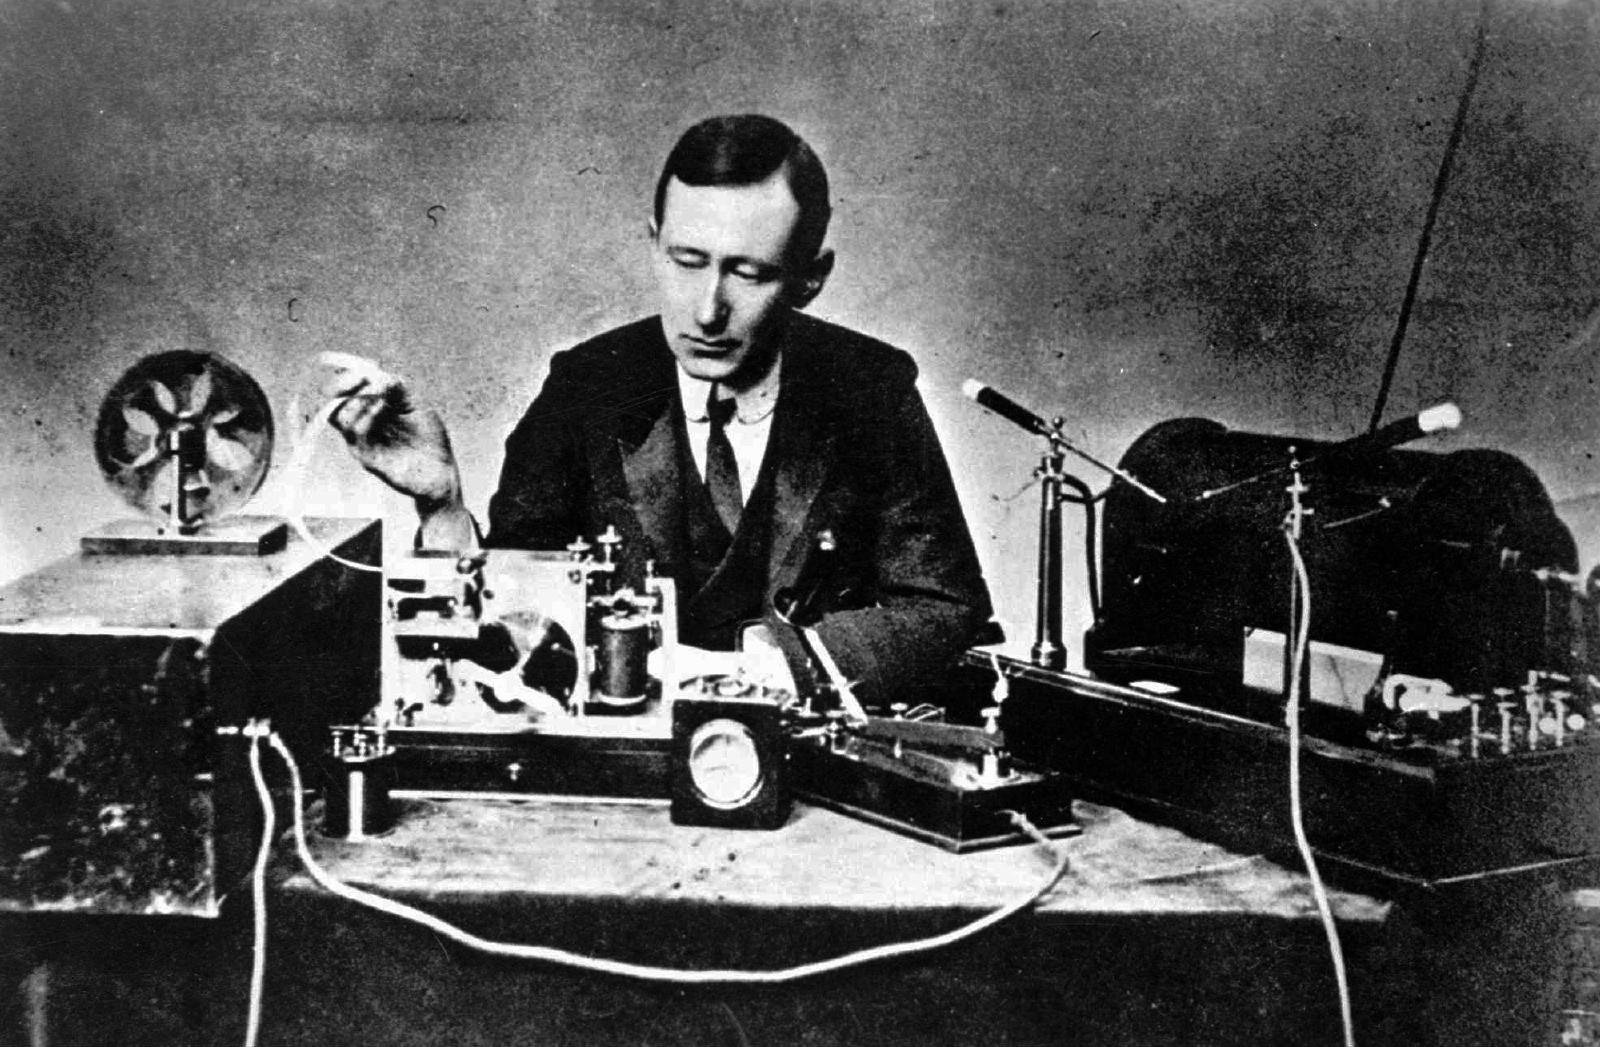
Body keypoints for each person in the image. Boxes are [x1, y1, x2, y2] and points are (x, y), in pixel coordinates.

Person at [326, 114, 992, 705]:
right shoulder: (586, 387)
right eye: (686, 261)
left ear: (810, 278)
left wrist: (770, 672)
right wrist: (441, 505)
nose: (707, 310)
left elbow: (942, 608)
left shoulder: (870, 390)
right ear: (653, 243)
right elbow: (515, 616)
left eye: (749, 273)